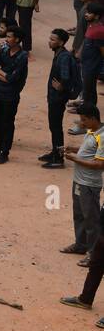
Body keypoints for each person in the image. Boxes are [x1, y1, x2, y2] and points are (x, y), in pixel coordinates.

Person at [0, 27, 29, 165]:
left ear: (17, 40)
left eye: (9, 37)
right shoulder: (3, 50)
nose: (6, 39)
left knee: (7, 123)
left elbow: (13, 79)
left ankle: (4, 152)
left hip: (11, 95)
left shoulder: (22, 56)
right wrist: (2, 75)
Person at [62, 104, 104, 260]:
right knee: (79, 215)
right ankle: (81, 244)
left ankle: (93, 254)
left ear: (93, 118)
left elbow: (100, 164)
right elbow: (90, 150)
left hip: (89, 184)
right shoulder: (92, 130)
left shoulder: (103, 136)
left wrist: (75, 159)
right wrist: (75, 149)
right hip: (79, 181)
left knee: (91, 219)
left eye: (84, 120)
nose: (82, 123)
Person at [43, 28, 80, 170]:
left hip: (58, 98)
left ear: (61, 42)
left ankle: (58, 158)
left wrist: (62, 88)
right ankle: (54, 152)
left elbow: (65, 76)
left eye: (53, 40)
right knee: (54, 126)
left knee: (56, 127)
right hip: (55, 97)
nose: (49, 42)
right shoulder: (60, 53)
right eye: (50, 38)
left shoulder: (63, 57)